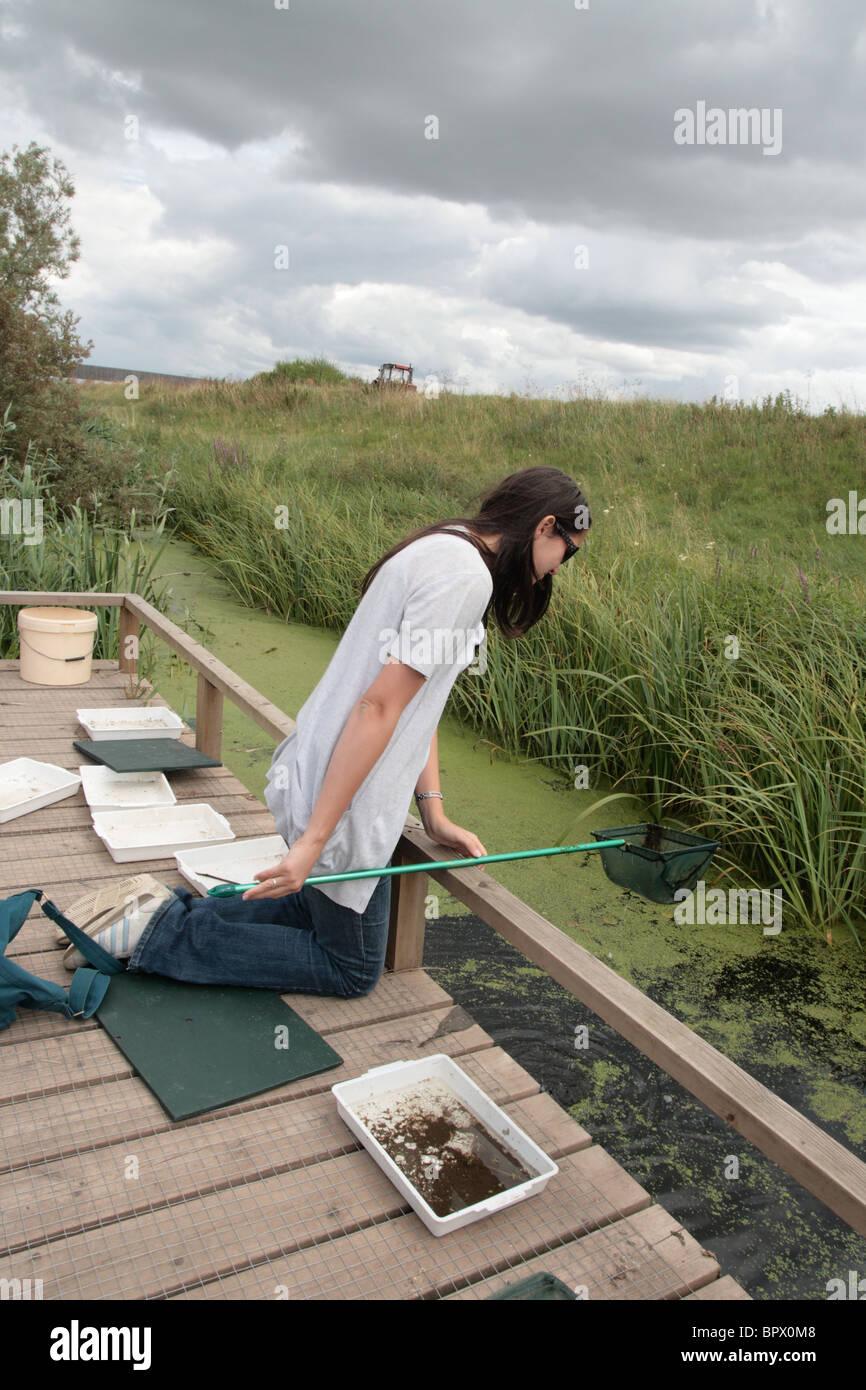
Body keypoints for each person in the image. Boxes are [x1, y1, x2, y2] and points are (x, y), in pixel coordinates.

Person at [63, 465, 590, 998]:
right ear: (545, 527)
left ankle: (158, 913)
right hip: (348, 792)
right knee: (352, 966)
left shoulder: (443, 544)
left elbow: (417, 704)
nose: (555, 571)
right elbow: (378, 709)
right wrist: (317, 838)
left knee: (308, 904)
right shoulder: (467, 578)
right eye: (569, 553)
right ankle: (157, 937)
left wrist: (432, 808)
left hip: (323, 765)